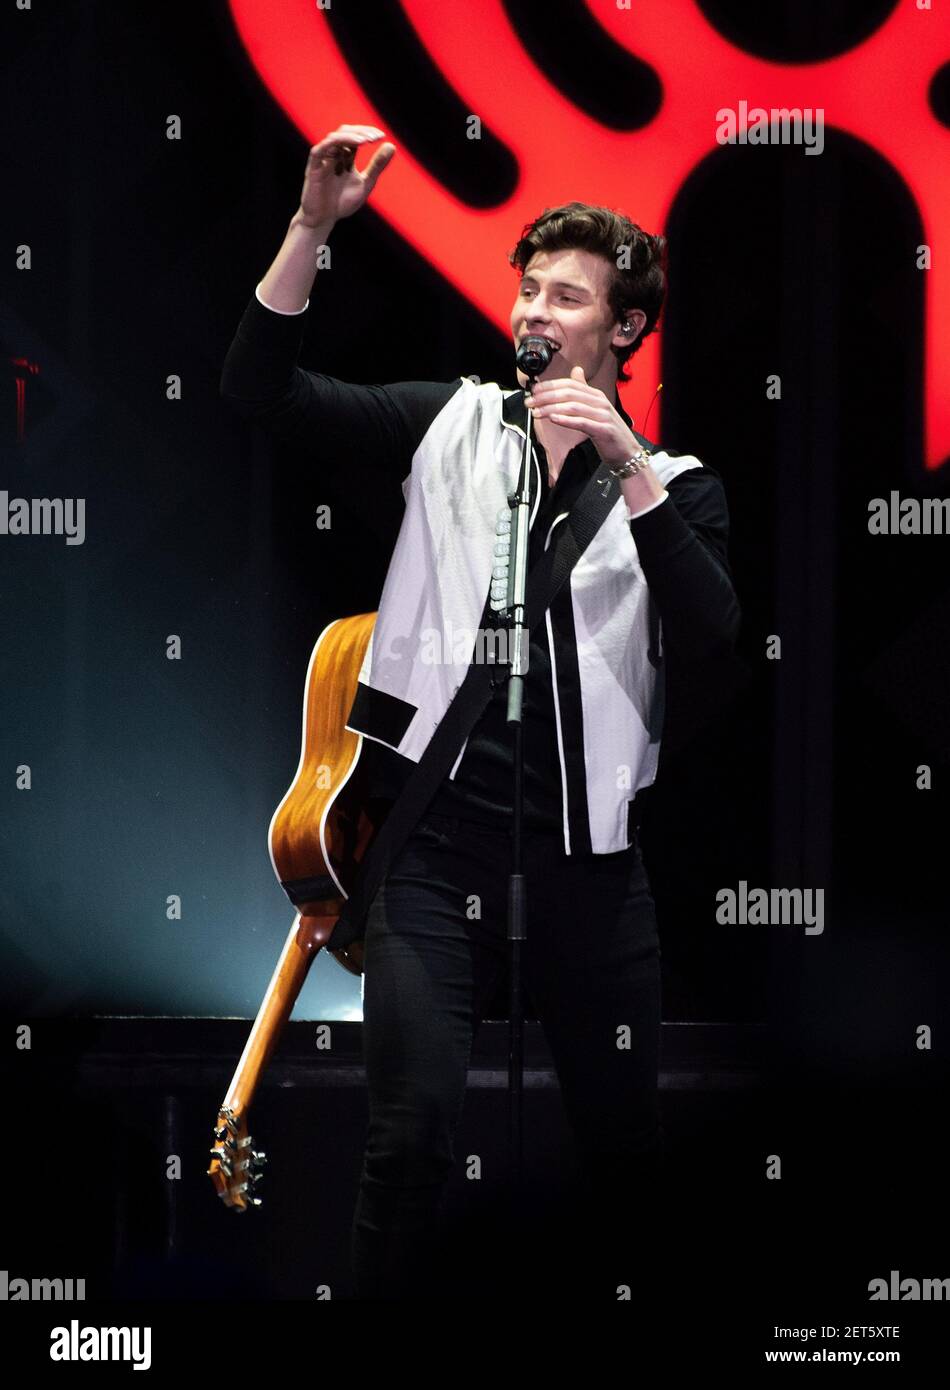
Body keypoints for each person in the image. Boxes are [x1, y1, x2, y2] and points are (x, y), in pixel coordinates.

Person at [220, 124, 741, 1300]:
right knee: (407, 1142)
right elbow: (258, 391)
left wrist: (632, 471)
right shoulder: (449, 423)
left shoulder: (679, 480)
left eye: (568, 293)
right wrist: (311, 229)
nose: (537, 309)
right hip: (428, 847)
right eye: (528, 287)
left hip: (589, 867)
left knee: (624, 1159)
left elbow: (713, 630)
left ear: (623, 329)